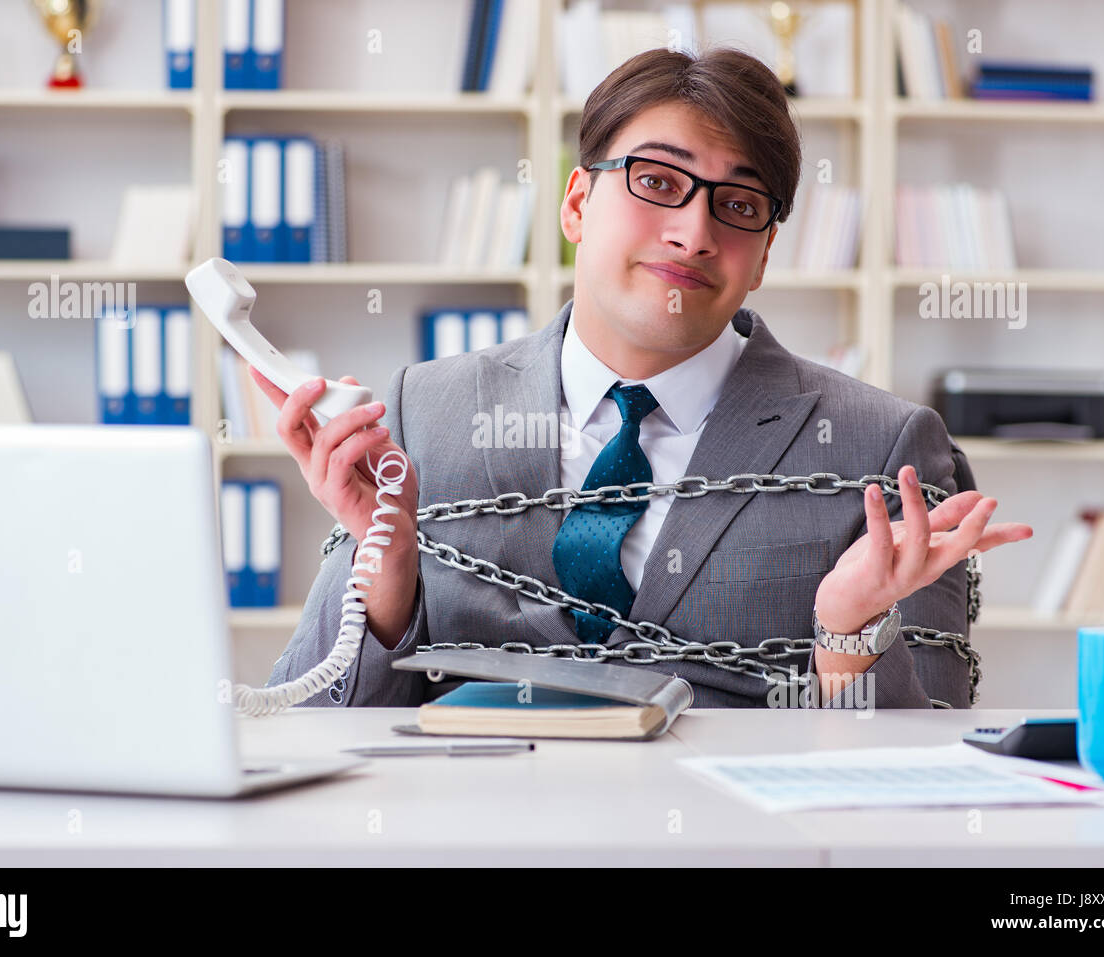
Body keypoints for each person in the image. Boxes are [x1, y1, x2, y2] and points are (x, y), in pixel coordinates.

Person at [255, 47, 1033, 709]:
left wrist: (849, 634)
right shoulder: (422, 413)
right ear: (576, 201)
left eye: (738, 204)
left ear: (762, 256)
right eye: (659, 181)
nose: (694, 232)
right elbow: (307, 719)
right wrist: (387, 576)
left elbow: (928, 773)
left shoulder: (883, 446)